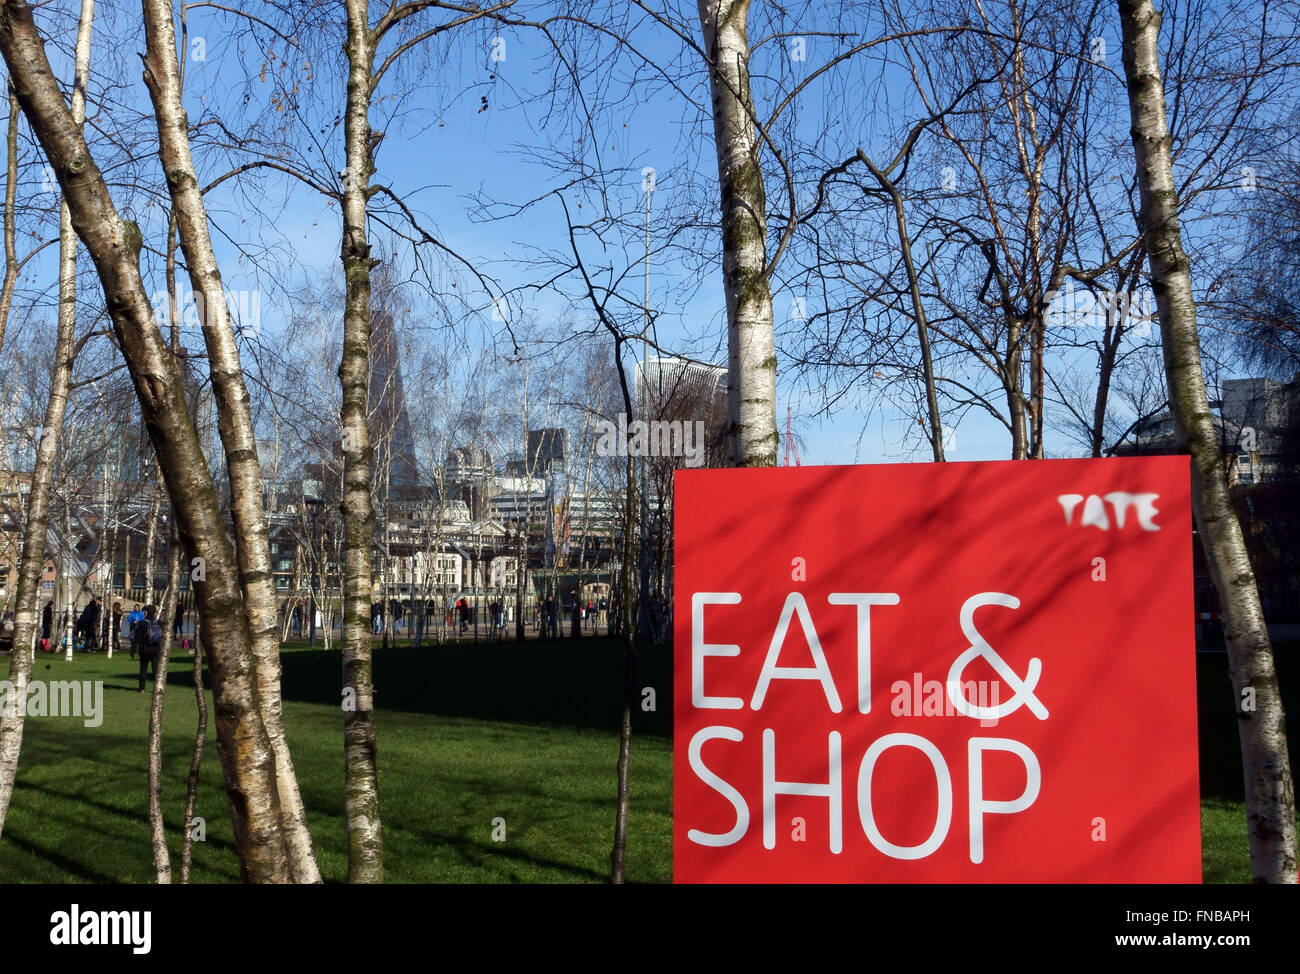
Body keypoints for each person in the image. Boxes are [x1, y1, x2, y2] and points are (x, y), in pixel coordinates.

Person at [133, 604, 163, 692]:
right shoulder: (158, 622)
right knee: (156, 670)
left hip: (145, 649)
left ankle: (142, 688)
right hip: (156, 649)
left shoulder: (142, 623)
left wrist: (133, 649)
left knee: (143, 669)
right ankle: (157, 688)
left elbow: (137, 637)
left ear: (146, 612)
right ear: (154, 613)